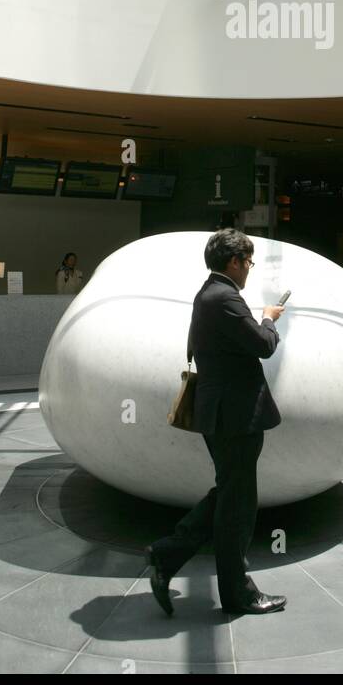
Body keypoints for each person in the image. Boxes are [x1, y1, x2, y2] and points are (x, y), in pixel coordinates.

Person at [146, 228, 286, 617]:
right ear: (234, 262)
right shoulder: (225, 298)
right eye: (248, 262)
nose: (249, 270)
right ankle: (238, 594)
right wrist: (269, 318)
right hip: (236, 417)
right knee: (238, 506)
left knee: (230, 494)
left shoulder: (206, 294)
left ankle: (167, 554)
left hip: (220, 415)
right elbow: (263, 345)